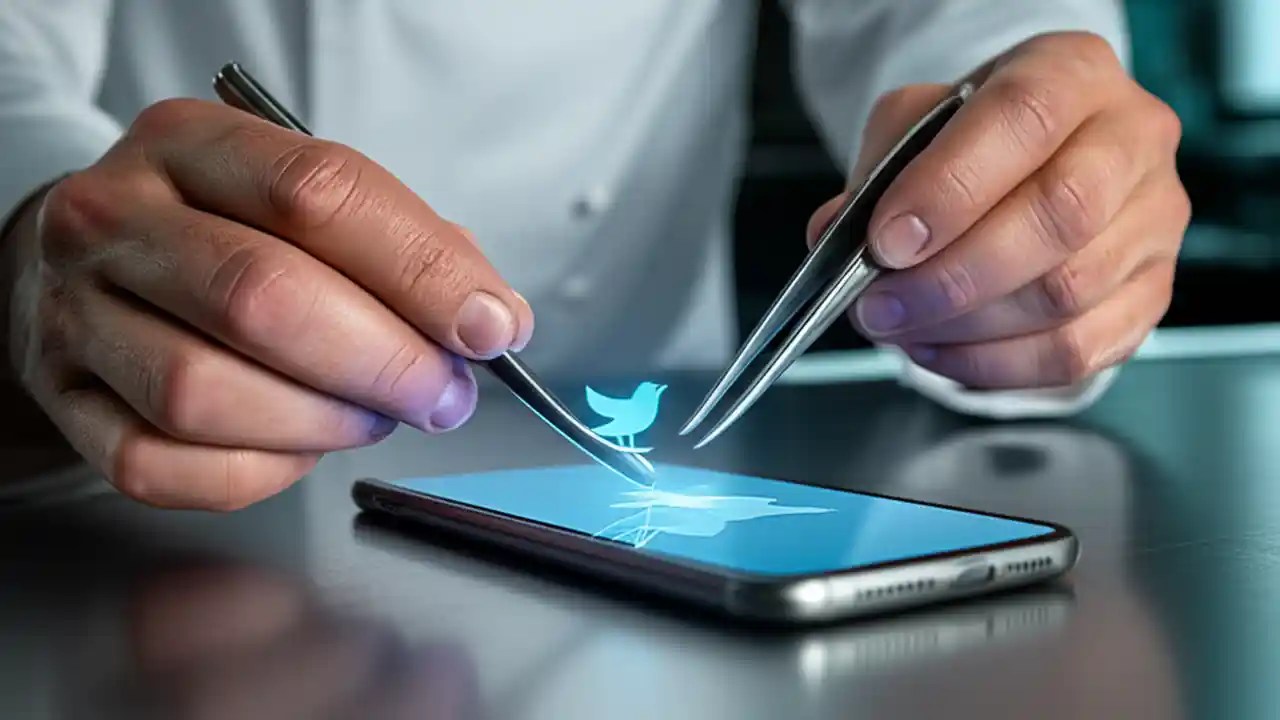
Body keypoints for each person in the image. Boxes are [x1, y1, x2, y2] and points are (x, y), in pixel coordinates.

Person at [0, 2, 1189, 510]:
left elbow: (972, 31)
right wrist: (31, 240)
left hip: (658, 464)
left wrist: (1037, 194)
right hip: (160, 497)